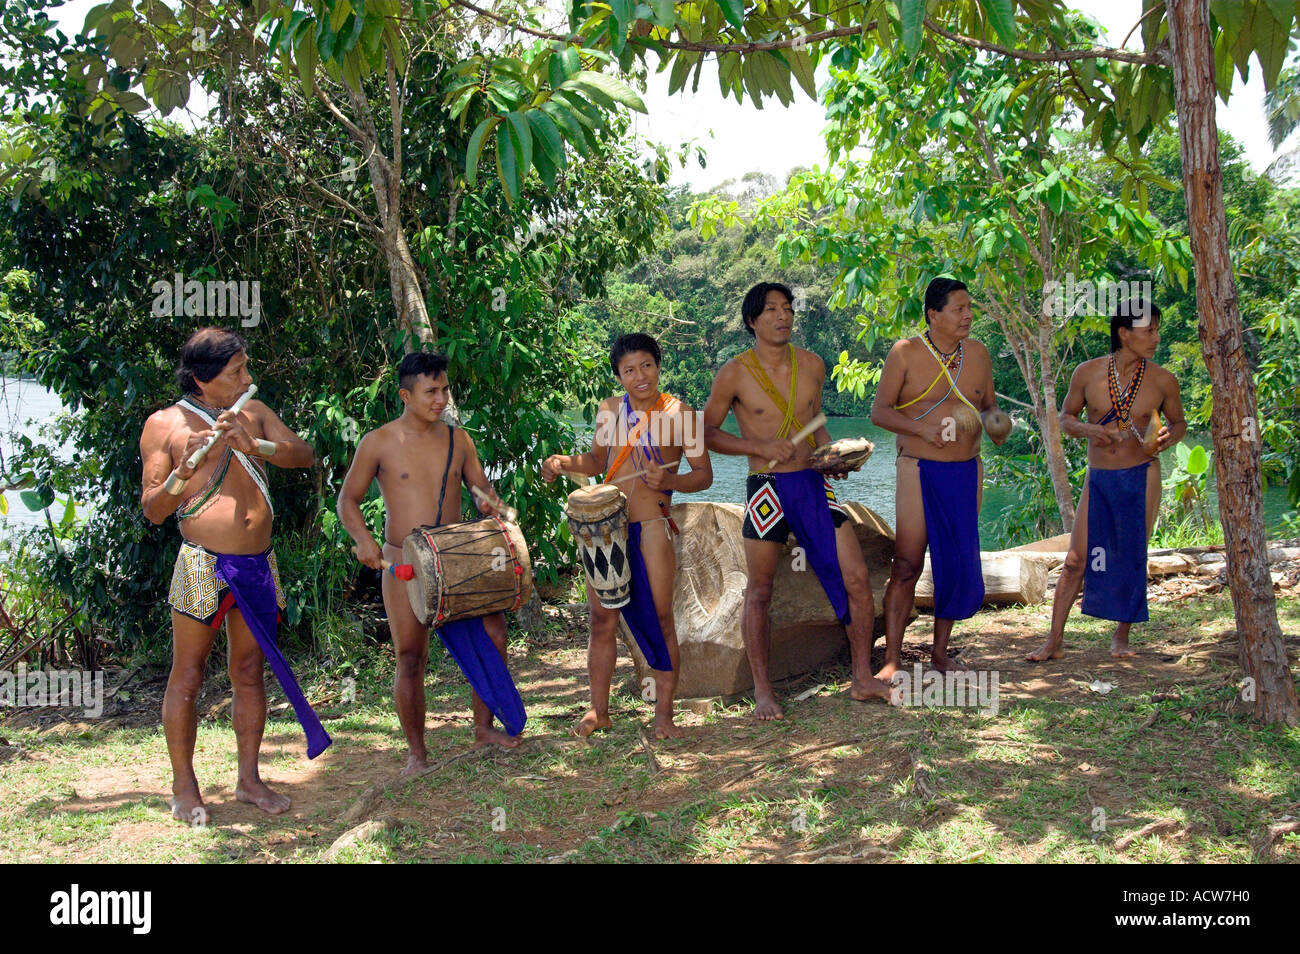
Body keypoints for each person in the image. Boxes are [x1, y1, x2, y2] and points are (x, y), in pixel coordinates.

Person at [140, 328, 322, 824]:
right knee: (188, 675)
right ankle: (184, 786)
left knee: (248, 672)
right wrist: (184, 467)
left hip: (259, 563)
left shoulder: (254, 412)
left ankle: (248, 779)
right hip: (202, 563)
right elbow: (154, 510)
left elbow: (304, 455)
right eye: (235, 372)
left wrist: (253, 442)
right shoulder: (164, 425)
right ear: (202, 380)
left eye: (245, 367)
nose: (247, 377)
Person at [702, 283, 892, 721]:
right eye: (771, 310)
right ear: (753, 320)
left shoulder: (812, 364)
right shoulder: (734, 372)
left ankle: (862, 678)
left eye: (787, 308)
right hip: (766, 487)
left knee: (857, 578)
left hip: (813, 484)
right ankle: (764, 692)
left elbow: (817, 426)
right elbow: (708, 433)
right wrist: (759, 443)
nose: (783, 316)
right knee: (760, 590)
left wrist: (834, 459)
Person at [338, 351, 526, 775]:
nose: (440, 399)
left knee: (492, 636)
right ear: (406, 395)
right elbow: (347, 499)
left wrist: (498, 509)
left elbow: (481, 490)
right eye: (430, 391)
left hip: (457, 558)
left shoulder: (459, 440)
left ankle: (483, 730)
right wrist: (363, 540)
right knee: (409, 657)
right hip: (403, 561)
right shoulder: (378, 441)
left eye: (444, 389)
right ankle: (417, 755)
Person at [542, 333, 712, 739]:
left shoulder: (682, 415)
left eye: (647, 366)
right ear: (618, 376)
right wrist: (563, 463)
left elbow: (704, 475)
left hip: (652, 526)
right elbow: (597, 461)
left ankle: (664, 716)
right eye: (629, 370)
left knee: (662, 618)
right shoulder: (608, 411)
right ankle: (599, 711)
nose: (640, 376)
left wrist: (669, 479)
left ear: (658, 365)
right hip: (606, 531)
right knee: (602, 620)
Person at [1028, 298, 1185, 661]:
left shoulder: (1163, 380)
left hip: (1143, 474)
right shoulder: (1088, 373)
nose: (1156, 338)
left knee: (1131, 554)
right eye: (1150, 331)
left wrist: (1167, 437)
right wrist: (1087, 430)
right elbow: (1066, 417)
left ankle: (1121, 638)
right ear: (1124, 334)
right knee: (1075, 560)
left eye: (1157, 330)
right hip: (1100, 477)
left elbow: (1178, 423)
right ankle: (1053, 640)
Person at [870, 278, 1009, 683]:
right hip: (918, 466)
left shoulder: (978, 354)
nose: (968, 316)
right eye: (959, 309)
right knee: (908, 562)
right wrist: (922, 430)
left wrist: (998, 425)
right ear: (934, 314)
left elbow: (989, 407)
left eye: (970, 308)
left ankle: (939, 654)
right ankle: (892, 658)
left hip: (966, 469)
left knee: (955, 561)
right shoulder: (906, 353)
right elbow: (880, 412)